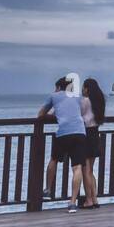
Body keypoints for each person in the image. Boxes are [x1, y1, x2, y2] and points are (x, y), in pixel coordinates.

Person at [39, 75, 87, 214]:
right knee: (77, 167)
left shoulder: (54, 96)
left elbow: (40, 114)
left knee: (54, 159)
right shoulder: (77, 96)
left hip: (63, 133)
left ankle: (47, 189)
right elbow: (79, 113)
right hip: (79, 132)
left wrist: (55, 116)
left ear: (59, 87)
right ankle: (72, 203)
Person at [80, 77, 107, 210]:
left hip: (86, 133)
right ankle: (95, 198)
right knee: (91, 170)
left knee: (86, 170)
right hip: (95, 134)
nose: (82, 90)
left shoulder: (85, 101)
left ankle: (89, 200)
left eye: (83, 87)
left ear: (87, 88)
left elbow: (79, 115)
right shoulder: (99, 101)